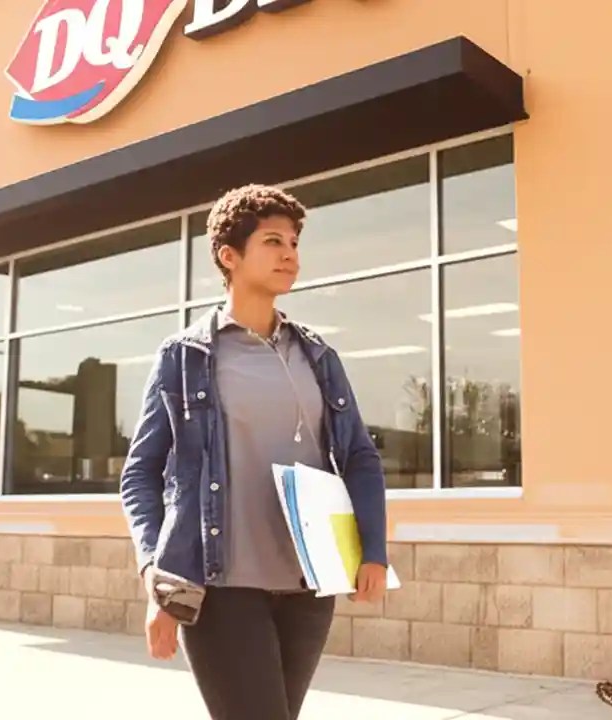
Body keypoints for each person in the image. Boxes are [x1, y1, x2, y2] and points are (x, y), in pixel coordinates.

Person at [120, 184, 390, 719]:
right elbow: (141, 475)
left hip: (308, 587)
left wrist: (374, 549)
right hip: (220, 587)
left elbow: (359, 456)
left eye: (293, 243)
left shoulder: (317, 355)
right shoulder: (184, 358)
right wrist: (156, 574)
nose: (290, 254)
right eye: (272, 241)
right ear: (229, 256)